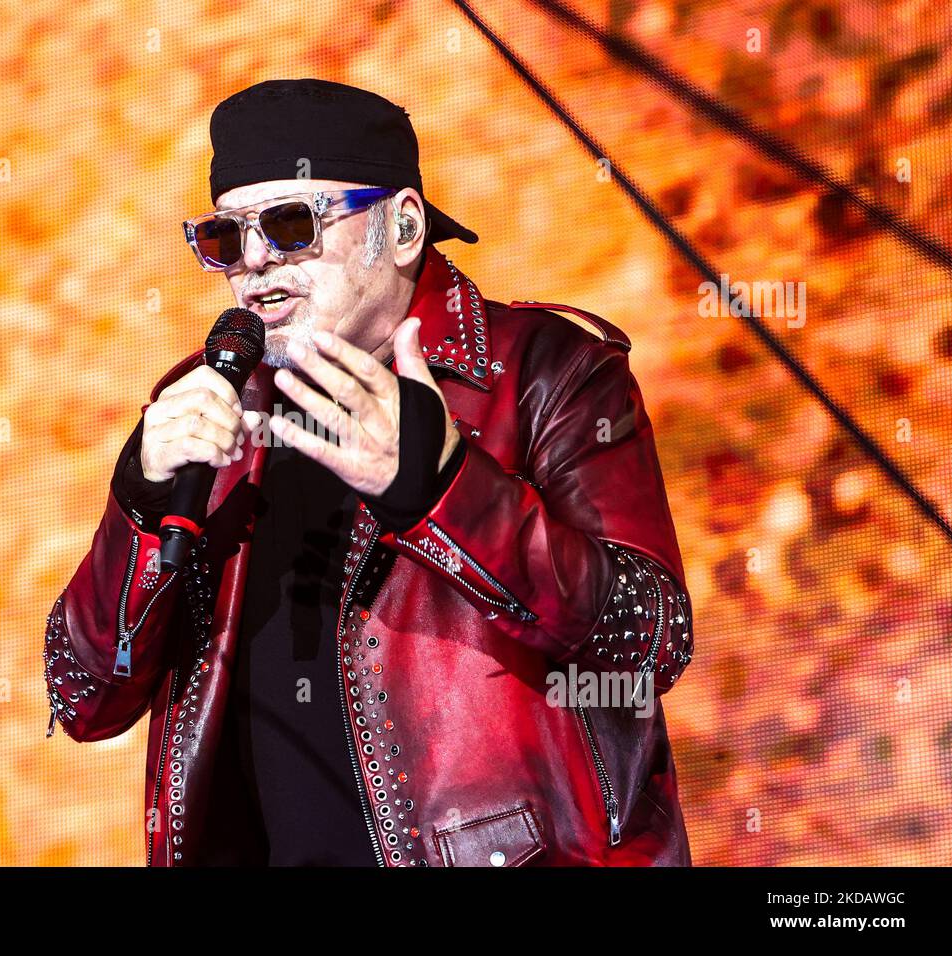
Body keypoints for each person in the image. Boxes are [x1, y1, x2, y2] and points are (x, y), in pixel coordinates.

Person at [43, 78, 694, 866]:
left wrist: (446, 489)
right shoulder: (210, 403)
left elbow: (652, 639)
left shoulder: (544, 374)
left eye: (290, 225)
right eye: (225, 238)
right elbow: (83, 700)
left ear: (404, 225)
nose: (254, 264)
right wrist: (139, 508)